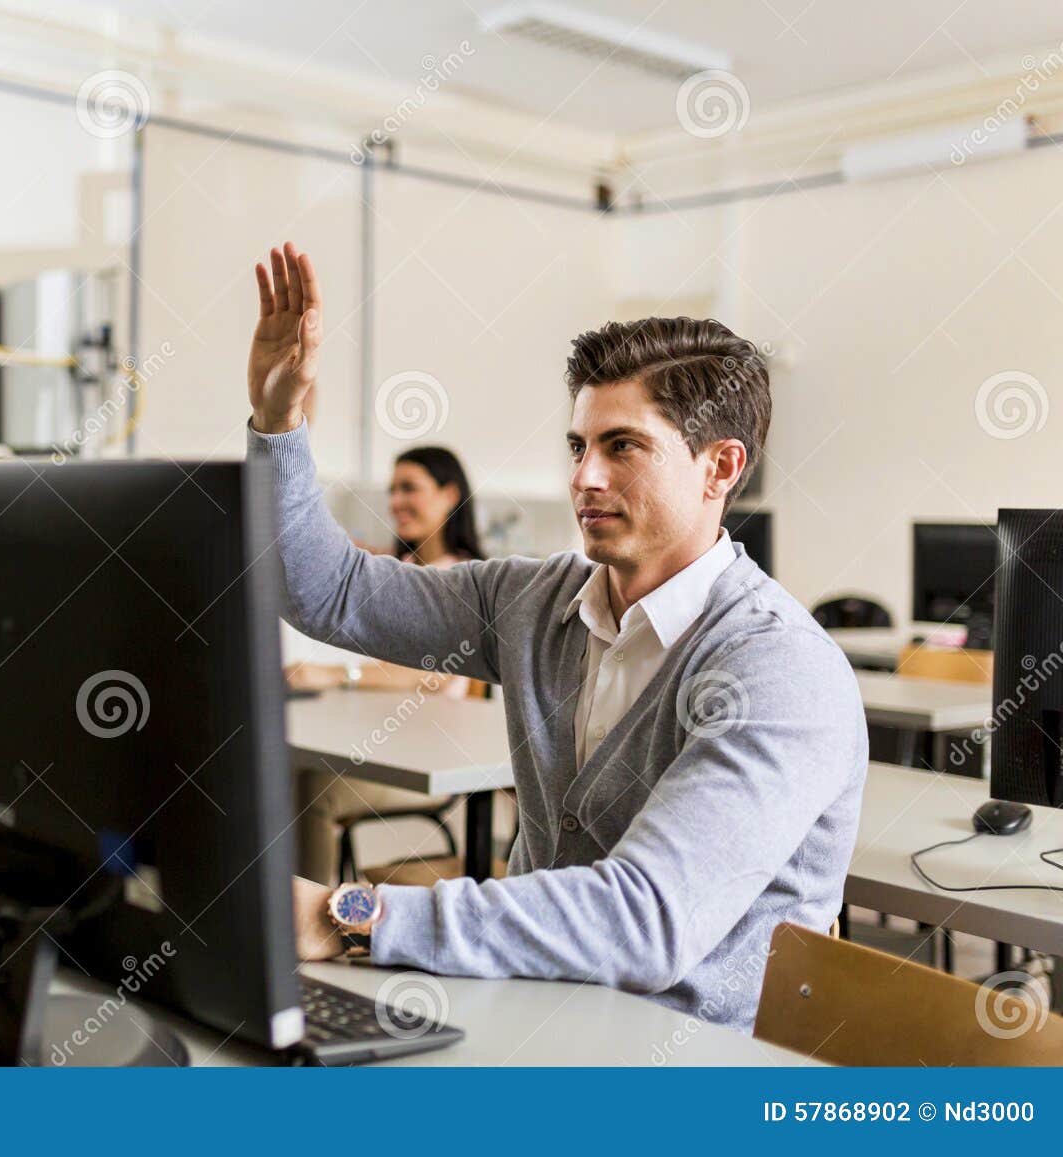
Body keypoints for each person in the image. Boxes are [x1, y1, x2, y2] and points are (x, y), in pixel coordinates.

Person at [249, 242, 865, 1031]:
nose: (584, 477)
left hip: (689, 1068)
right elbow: (326, 591)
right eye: (579, 446)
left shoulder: (779, 668)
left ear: (721, 466)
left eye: (623, 447)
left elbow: (643, 920)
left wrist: (350, 914)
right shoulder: (534, 599)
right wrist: (278, 419)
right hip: (526, 1013)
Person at [285, 446, 488, 882]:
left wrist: (336, 675)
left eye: (410, 488)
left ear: (450, 494)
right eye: (393, 489)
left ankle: (312, 926)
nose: (397, 501)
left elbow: (429, 676)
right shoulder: (405, 569)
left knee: (310, 792)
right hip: (384, 740)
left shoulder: (467, 579)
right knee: (286, 771)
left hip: (425, 757)